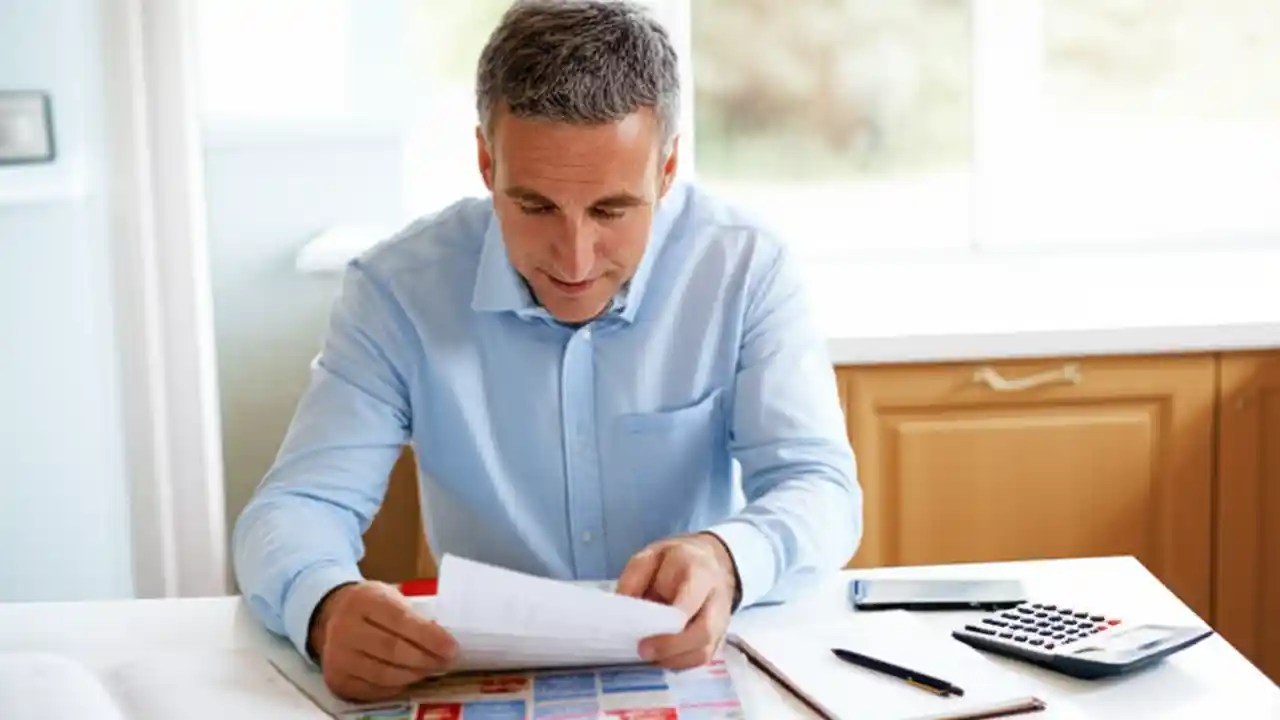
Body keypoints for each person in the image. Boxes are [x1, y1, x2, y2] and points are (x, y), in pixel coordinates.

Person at [233, 0, 861, 702]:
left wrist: (728, 557)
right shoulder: (396, 291)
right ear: (484, 160)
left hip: (689, 666)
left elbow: (821, 488)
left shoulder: (745, 269)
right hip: (479, 681)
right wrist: (322, 606)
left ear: (666, 167)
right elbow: (294, 507)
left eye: (610, 210)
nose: (574, 258)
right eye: (534, 207)